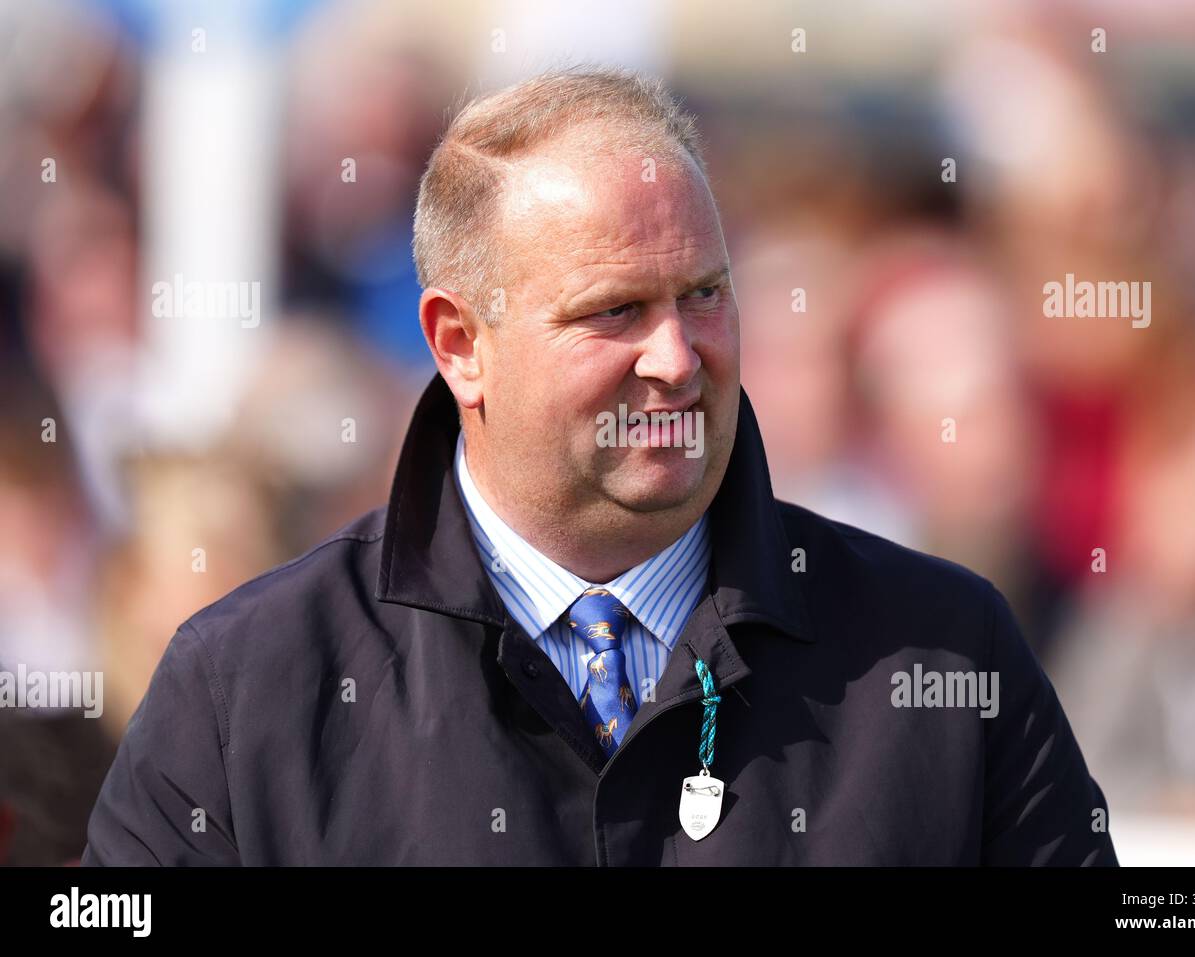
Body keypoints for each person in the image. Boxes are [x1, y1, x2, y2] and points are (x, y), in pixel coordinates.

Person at [82, 67, 1118, 866]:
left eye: (704, 295)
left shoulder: (940, 656)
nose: (676, 358)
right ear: (459, 345)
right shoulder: (247, 688)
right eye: (614, 311)